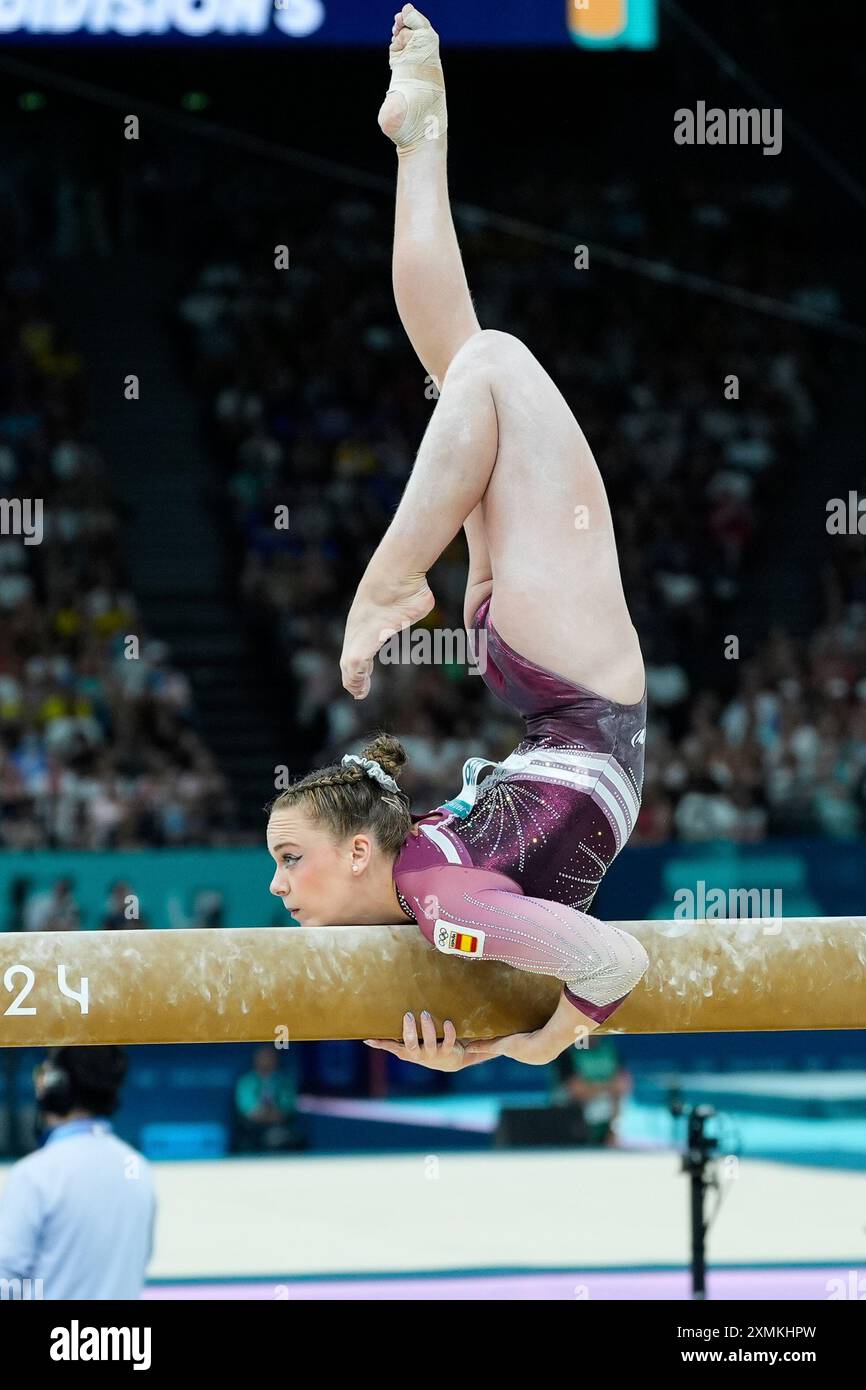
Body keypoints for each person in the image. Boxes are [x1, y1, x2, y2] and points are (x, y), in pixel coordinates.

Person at [266, 6, 649, 1072]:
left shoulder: (431, 894)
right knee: (482, 363)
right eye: (285, 862)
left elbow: (576, 952)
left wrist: (497, 1035)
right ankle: (389, 579)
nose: (275, 886)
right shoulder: (435, 897)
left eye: (284, 860)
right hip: (573, 705)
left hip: (555, 698)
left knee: (469, 359)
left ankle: (422, 139)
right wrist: (516, 1051)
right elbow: (610, 963)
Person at [0, 1048, 155, 1300]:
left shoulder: (36, 1175)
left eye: (43, 1074)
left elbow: (4, 1281)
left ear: (56, 1087)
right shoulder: (137, 1168)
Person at [549, 1036, 633, 1147]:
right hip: (572, 1114)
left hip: (609, 1111)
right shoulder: (567, 1054)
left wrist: (613, 1127)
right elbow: (577, 1090)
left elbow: (622, 1085)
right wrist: (608, 1087)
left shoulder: (609, 1049)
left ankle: (611, 1134)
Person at [233, 1046, 305, 1153]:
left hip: (280, 1126)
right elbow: (248, 1111)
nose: (267, 1060)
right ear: (255, 1059)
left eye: (270, 1056)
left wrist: (275, 1117)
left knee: (286, 1137)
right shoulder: (246, 1082)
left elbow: (286, 1110)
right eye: (263, 1056)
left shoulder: (285, 1082)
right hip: (251, 1129)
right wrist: (263, 1116)